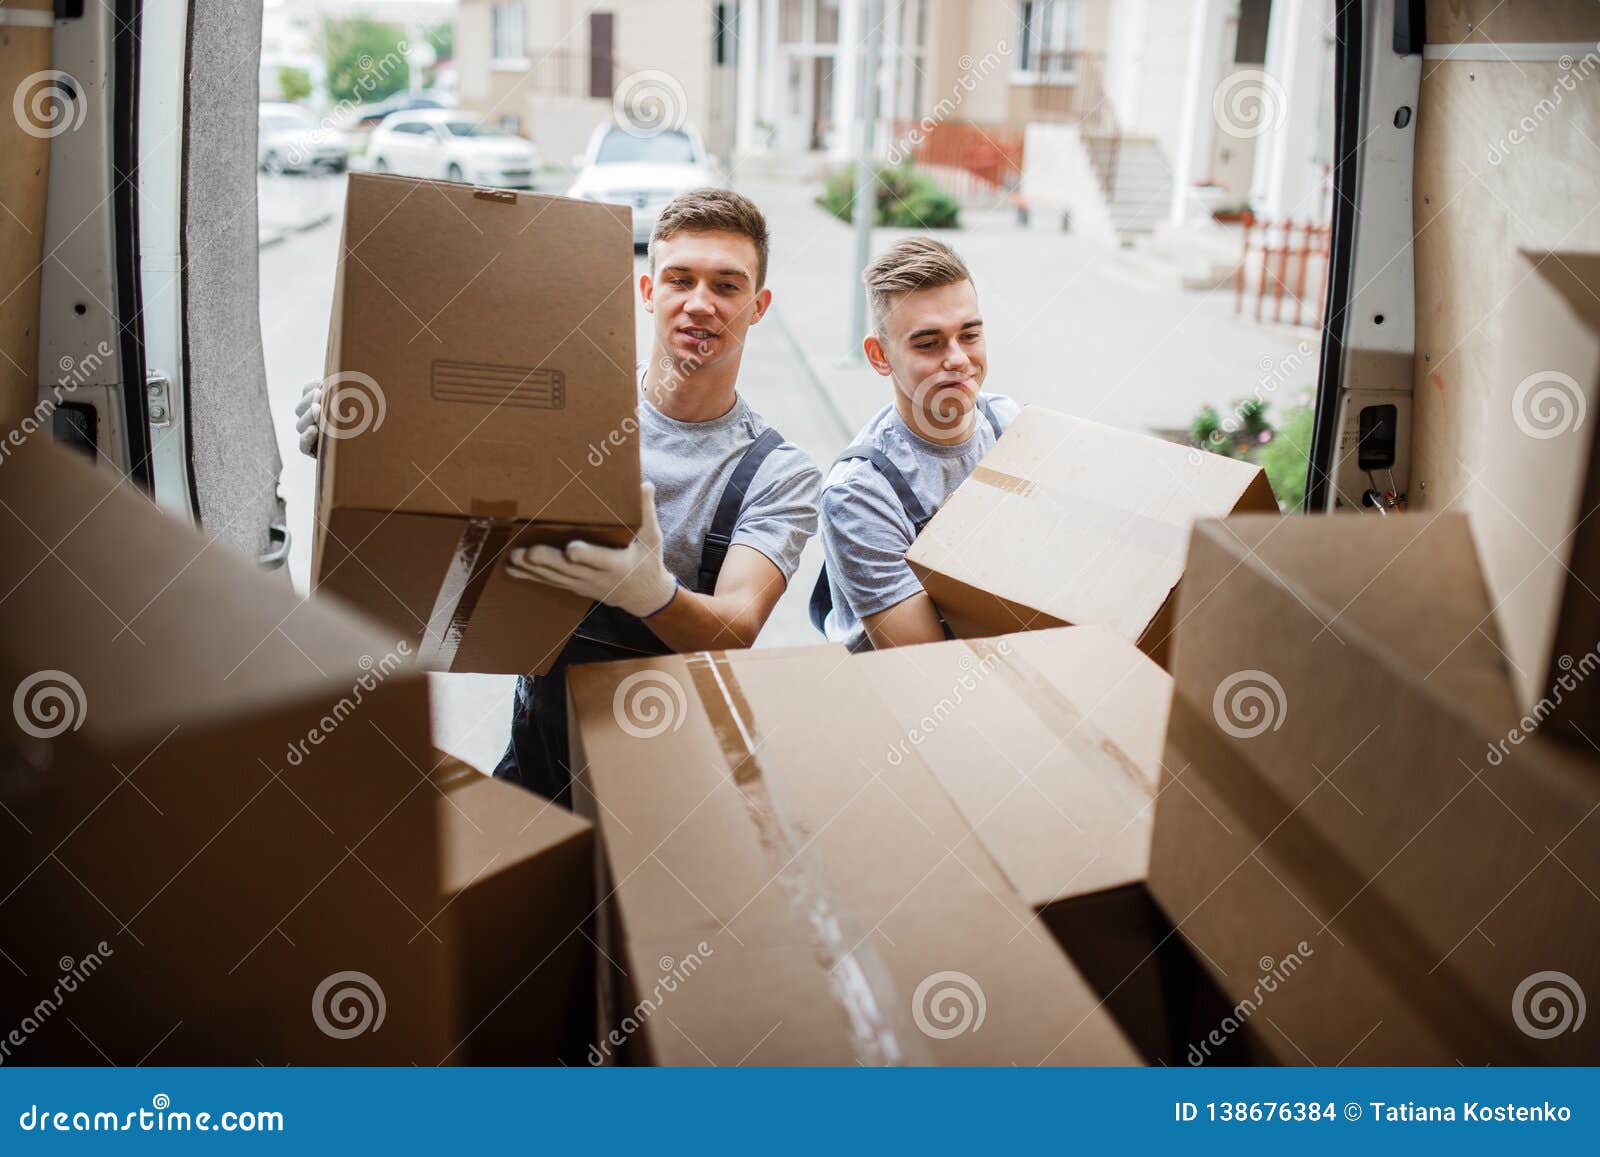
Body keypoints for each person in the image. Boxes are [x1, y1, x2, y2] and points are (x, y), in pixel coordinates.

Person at [299, 188, 820, 807]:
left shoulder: (777, 472)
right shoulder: (566, 408)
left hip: (671, 791)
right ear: (648, 291)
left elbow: (737, 626)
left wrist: (653, 594)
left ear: (758, 307)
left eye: (727, 287)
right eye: (680, 280)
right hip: (536, 766)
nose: (700, 304)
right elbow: (449, 479)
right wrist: (360, 445)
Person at [810, 236, 1019, 651]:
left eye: (970, 335)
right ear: (879, 355)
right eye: (929, 343)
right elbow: (927, 661)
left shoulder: (1010, 426)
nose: (958, 358)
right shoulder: (859, 493)